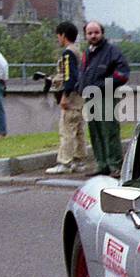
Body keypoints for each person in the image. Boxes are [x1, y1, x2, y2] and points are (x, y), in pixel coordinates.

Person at [79, 21, 131, 176]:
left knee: (109, 131)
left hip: (106, 96)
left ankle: (115, 165)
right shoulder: (87, 53)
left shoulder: (112, 51)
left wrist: (103, 85)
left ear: (102, 33)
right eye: (90, 33)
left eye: (96, 32)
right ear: (86, 35)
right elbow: (83, 73)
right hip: (90, 97)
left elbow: (123, 73)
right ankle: (101, 164)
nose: (93, 36)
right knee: (95, 131)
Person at [45, 21, 93, 174]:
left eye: (58, 36)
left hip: (72, 97)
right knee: (78, 130)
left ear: (63, 35)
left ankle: (64, 162)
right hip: (80, 96)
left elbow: (69, 76)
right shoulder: (78, 51)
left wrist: (65, 96)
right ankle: (79, 161)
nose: (58, 39)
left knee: (67, 129)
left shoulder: (68, 53)